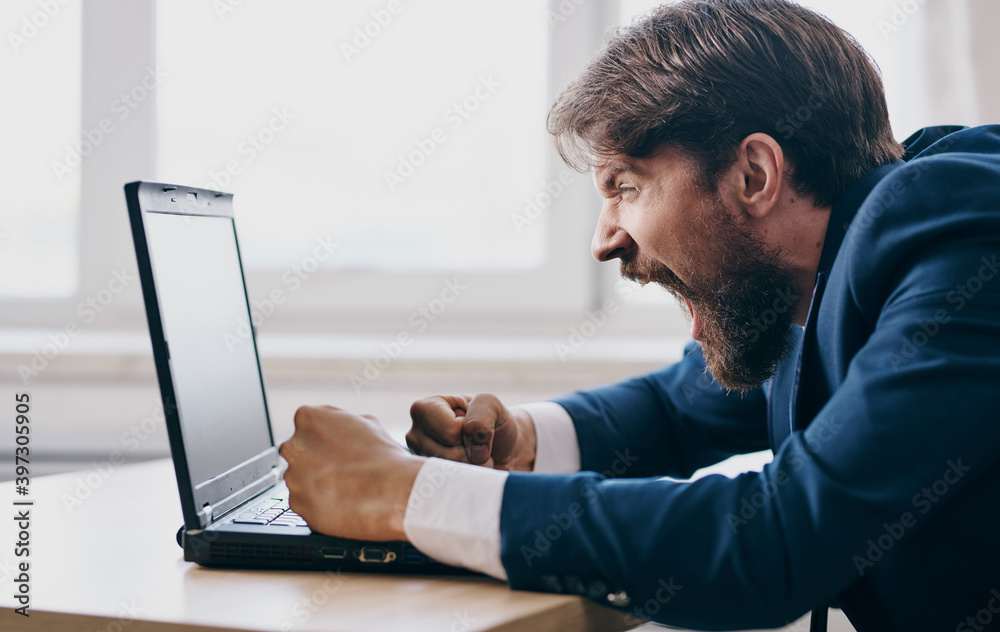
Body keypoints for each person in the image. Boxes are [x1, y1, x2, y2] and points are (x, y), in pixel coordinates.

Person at [278, 1, 1000, 630]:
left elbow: (777, 542)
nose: (604, 240)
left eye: (624, 186)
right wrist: (521, 442)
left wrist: (407, 494)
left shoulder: (960, 233)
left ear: (754, 175)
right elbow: (675, 409)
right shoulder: (816, 273)